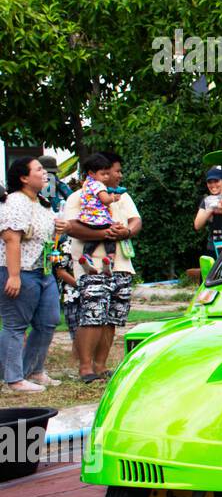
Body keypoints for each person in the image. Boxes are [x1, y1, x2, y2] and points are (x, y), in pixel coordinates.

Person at [62, 151, 140, 383]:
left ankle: (101, 365)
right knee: (92, 316)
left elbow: (136, 220)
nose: (116, 176)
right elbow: (72, 227)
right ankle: (86, 368)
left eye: (115, 171)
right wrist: (104, 233)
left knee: (112, 317)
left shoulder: (122, 197)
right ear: (94, 175)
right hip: (92, 266)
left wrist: (126, 231)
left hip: (122, 264)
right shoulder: (78, 197)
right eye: (110, 172)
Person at [0, 156, 66, 393]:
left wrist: (59, 228)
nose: (45, 173)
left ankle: (34, 370)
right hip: (20, 271)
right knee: (15, 324)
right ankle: (13, 379)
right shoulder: (14, 202)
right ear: (24, 177)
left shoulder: (41, 202)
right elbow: (11, 239)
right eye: (39, 169)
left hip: (43, 271)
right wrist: (14, 275)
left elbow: (44, 235)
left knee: (48, 321)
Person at [74, 152, 122, 273]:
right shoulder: (98, 185)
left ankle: (87, 256)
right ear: (91, 173)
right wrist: (113, 198)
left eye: (107, 173)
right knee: (110, 233)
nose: (106, 177)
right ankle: (110, 257)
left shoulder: (87, 184)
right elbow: (105, 200)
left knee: (93, 237)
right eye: (103, 174)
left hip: (88, 218)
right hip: (98, 217)